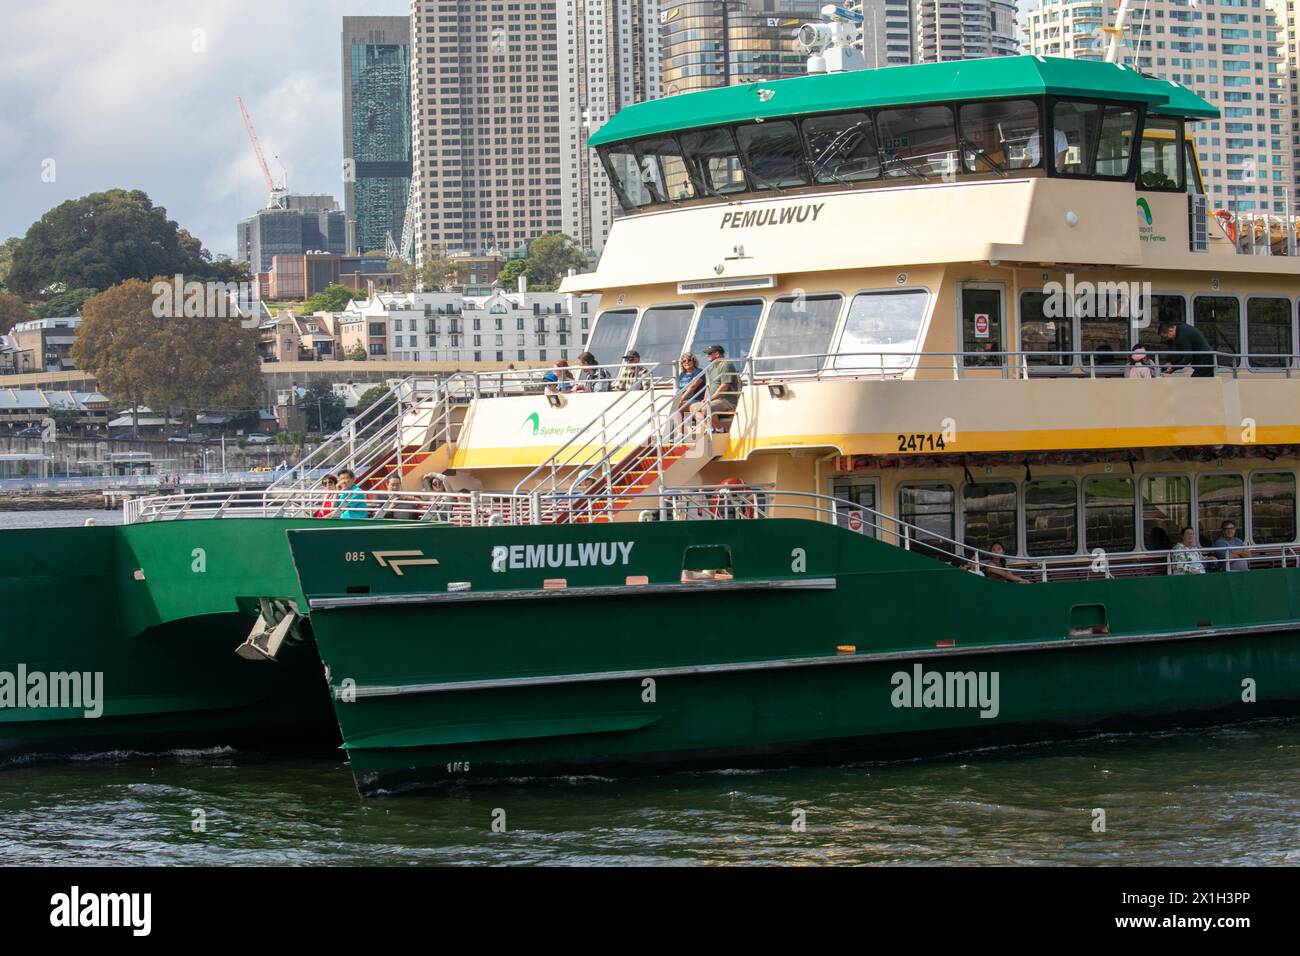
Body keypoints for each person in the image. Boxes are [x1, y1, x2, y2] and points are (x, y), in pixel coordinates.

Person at [692, 344, 741, 433]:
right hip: (714, 400)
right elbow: (708, 386)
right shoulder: (712, 367)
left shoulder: (726, 365)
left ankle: (720, 429)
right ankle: (709, 428)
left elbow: (724, 386)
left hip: (727, 400)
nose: (707, 355)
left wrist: (710, 399)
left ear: (717, 354)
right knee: (693, 407)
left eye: (710, 353)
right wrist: (705, 399)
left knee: (706, 408)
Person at [673, 353, 707, 437]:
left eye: (689, 360)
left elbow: (693, 387)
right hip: (684, 400)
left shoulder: (700, 372)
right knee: (673, 407)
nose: (686, 362)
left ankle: (680, 433)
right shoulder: (682, 375)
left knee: (677, 407)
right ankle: (679, 433)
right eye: (684, 361)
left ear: (694, 361)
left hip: (695, 399)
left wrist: (681, 398)